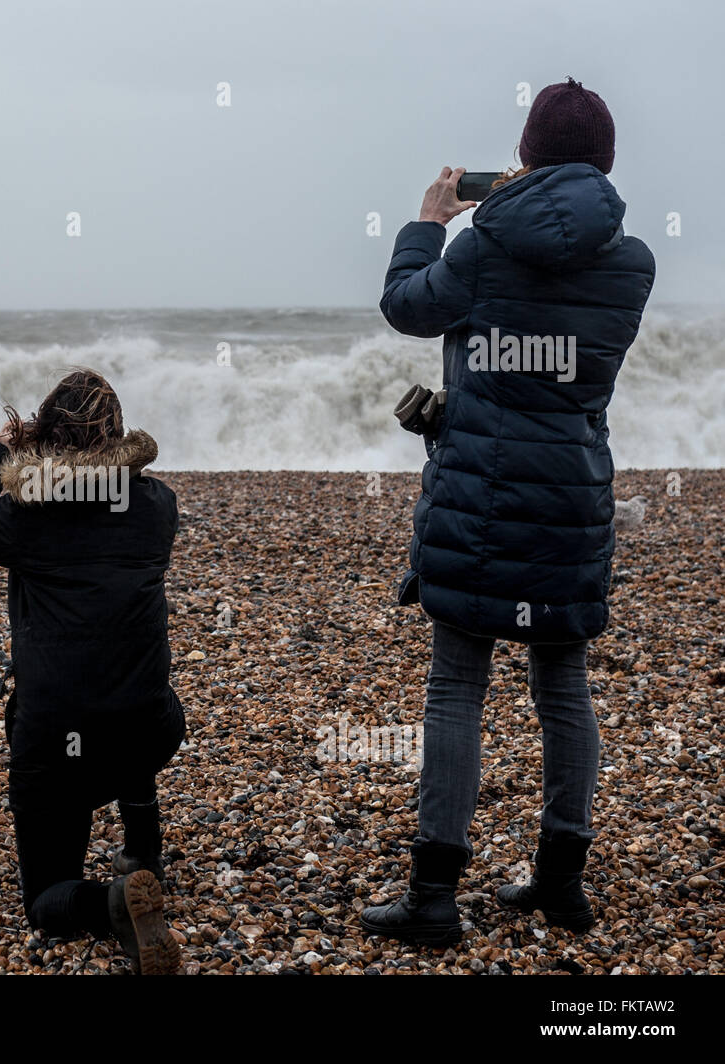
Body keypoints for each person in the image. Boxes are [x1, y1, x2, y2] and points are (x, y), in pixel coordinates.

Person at [362, 78, 656, 946]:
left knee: (457, 686)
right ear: (605, 162)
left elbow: (406, 308)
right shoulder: (633, 262)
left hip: (481, 500)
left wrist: (429, 221)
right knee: (563, 686)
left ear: (523, 156)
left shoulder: (482, 245)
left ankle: (435, 897)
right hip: (573, 497)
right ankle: (562, 886)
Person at [0, 369, 186, 973]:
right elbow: (106, 490)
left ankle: (109, 900)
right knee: (127, 699)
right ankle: (143, 854)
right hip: (146, 731)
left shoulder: (28, 518)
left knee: (44, 898)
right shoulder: (157, 506)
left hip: (60, 743)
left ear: (48, 438)